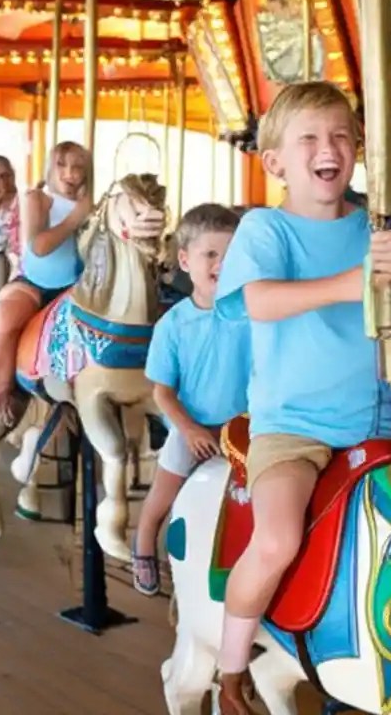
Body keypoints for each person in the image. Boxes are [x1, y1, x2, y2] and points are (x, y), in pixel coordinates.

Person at [211, 81, 391, 714]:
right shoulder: (267, 228)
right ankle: (230, 672)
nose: (329, 148)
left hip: (387, 423)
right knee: (279, 539)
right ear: (277, 161)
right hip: (295, 428)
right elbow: (256, 301)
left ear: (359, 149)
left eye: (342, 135)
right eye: (310, 137)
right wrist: (350, 283)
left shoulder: (380, 229)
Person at [132, 204, 250, 595]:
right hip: (192, 425)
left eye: (230, 254)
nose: (221, 263)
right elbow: (162, 390)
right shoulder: (174, 324)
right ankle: (145, 540)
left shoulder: (252, 312)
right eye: (210, 254)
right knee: (169, 478)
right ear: (185, 260)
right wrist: (188, 427)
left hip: (244, 426)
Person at [0, 141, 92, 423]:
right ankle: (5, 390)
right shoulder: (38, 199)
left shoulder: (91, 205)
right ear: (49, 169)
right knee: (6, 319)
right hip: (35, 283)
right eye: (62, 165)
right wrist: (75, 218)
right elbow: (38, 247)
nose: (70, 173)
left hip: (75, 288)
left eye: (78, 167)